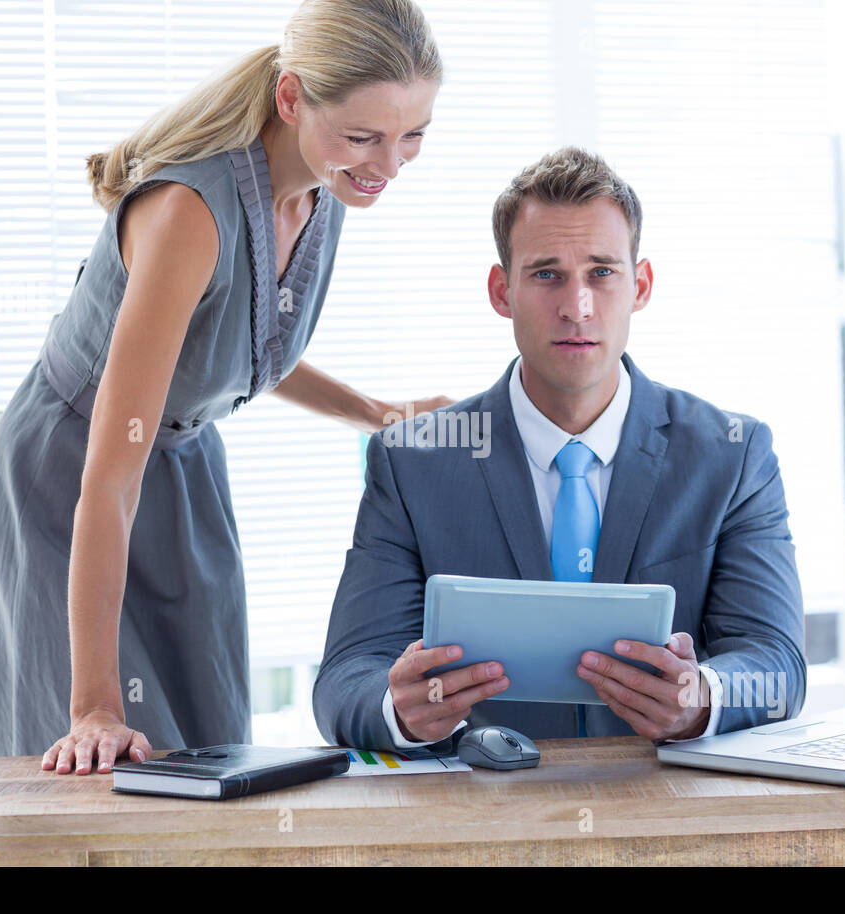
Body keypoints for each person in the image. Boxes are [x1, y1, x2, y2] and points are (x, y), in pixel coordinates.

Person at [0, 0, 448, 823]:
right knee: (98, 774)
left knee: (205, 761)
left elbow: (239, 341)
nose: (389, 162)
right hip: (74, 477)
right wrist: (92, 701)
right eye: (364, 136)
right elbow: (109, 474)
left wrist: (375, 411)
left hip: (183, 468)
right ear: (290, 100)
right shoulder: (187, 214)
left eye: (412, 134)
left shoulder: (322, 190)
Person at [313, 146, 807, 751]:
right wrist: (399, 709)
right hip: (483, 822)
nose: (577, 307)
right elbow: (344, 680)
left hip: (665, 818)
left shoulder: (733, 457)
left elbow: (777, 666)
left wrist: (702, 696)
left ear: (640, 285)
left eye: (602, 272)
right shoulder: (411, 463)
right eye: (547, 274)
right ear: (502, 292)